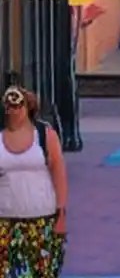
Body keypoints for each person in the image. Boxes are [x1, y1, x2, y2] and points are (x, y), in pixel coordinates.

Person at [0, 86, 68, 278]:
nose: (13, 111)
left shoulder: (45, 136)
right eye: (9, 107)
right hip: (6, 223)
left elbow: (59, 175)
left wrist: (61, 215)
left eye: (17, 106)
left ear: (27, 107)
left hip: (42, 221)